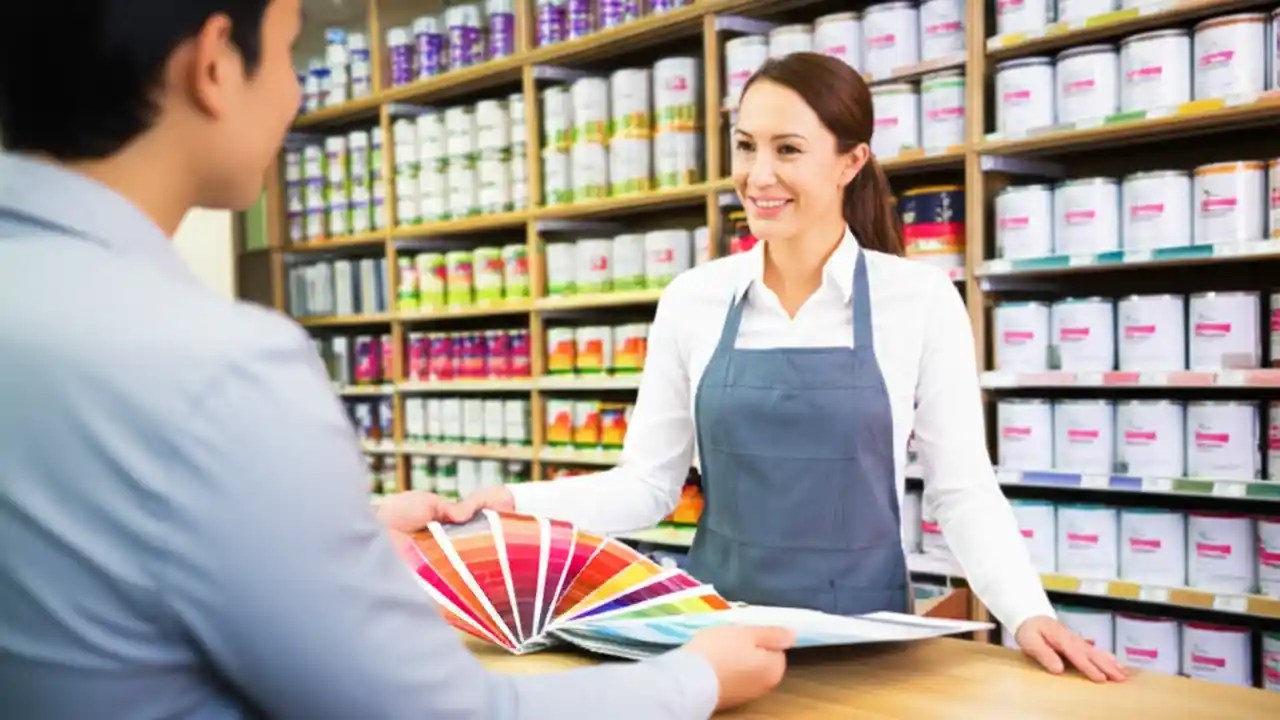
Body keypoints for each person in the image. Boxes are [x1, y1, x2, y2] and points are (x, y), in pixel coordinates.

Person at [0, 2, 795, 717]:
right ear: (213, 65)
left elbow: (99, 553)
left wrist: (347, 531)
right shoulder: (223, 366)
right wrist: (694, 677)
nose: (295, 95)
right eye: (285, 52)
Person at [449, 52, 1129, 684]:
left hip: (867, 642)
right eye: (746, 146)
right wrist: (514, 504)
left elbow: (961, 492)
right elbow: (647, 487)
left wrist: (1027, 612)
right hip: (720, 638)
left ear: (850, 161)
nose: (758, 175)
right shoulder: (693, 299)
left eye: (788, 150)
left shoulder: (918, 300)